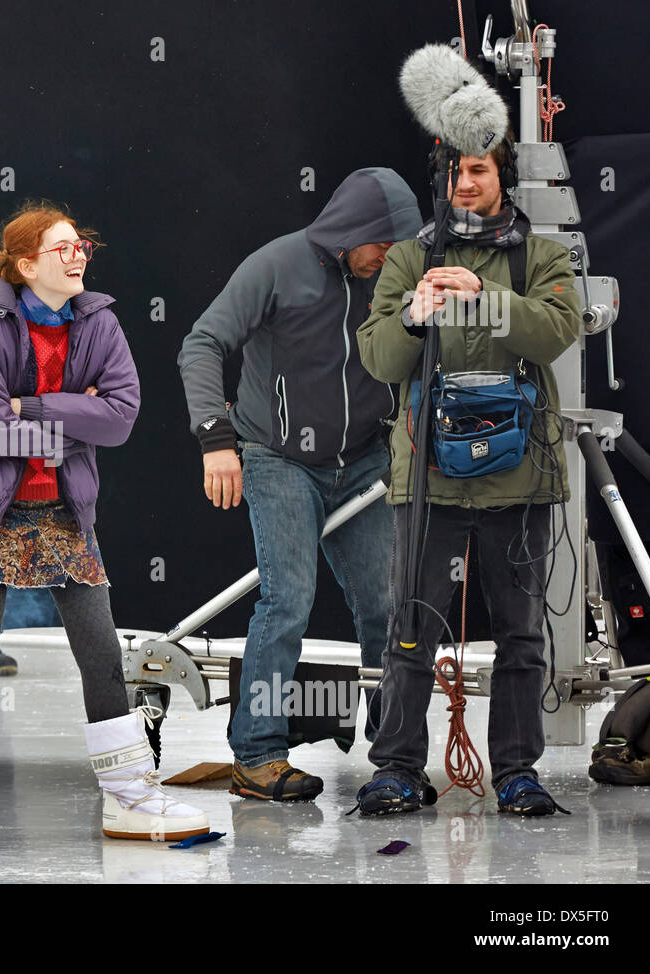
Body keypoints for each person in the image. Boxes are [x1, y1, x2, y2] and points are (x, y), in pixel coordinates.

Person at [0, 202, 209, 847]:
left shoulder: (101, 323)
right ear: (24, 264)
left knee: (100, 652)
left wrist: (30, 405)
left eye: (82, 246)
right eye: (63, 248)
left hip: (66, 510)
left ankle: (127, 799)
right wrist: (70, 416)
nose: (78, 257)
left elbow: (119, 419)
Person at [178, 168, 423, 801]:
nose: (390, 260)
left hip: (366, 457)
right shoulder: (278, 264)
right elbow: (202, 343)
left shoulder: (395, 274)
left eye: (402, 248)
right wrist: (216, 442)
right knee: (287, 600)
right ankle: (257, 755)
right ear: (352, 232)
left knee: (385, 604)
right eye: (383, 245)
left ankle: (393, 755)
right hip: (279, 457)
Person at [354, 142, 580, 815]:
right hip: (428, 478)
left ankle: (517, 773)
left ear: (502, 177)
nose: (465, 182)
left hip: (522, 479)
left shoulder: (542, 258)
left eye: (478, 169)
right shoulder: (408, 258)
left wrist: (487, 295)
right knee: (410, 628)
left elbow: (555, 334)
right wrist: (415, 318)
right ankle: (395, 768)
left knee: (520, 633)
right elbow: (379, 361)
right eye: (454, 172)